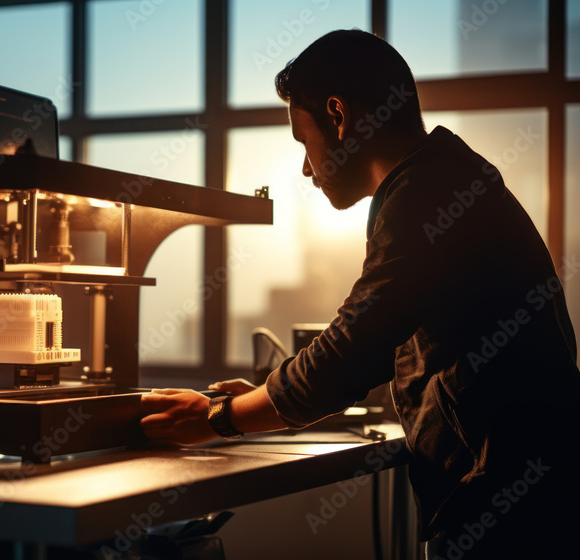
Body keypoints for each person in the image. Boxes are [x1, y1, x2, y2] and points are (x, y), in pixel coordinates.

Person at [140, 29, 579, 558]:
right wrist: (259, 398)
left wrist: (219, 418)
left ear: (338, 116)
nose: (306, 168)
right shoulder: (447, 176)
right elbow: (386, 348)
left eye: (303, 142)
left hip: (507, 507)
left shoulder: (425, 195)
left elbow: (351, 351)